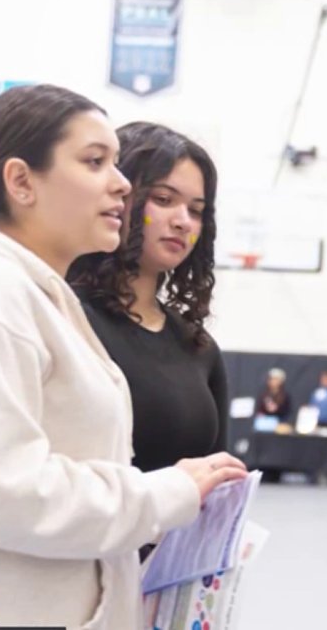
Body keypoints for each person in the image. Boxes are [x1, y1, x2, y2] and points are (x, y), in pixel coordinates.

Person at [0, 84, 246, 629]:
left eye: (117, 164)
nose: (120, 182)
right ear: (21, 181)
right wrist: (166, 491)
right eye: (94, 161)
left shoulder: (36, 294)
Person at [69, 122, 227, 473]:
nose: (183, 222)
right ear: (117, 196)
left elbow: (218, 473)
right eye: (163, 200)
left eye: (196, 210)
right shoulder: (66, 316)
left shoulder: (198, 347)